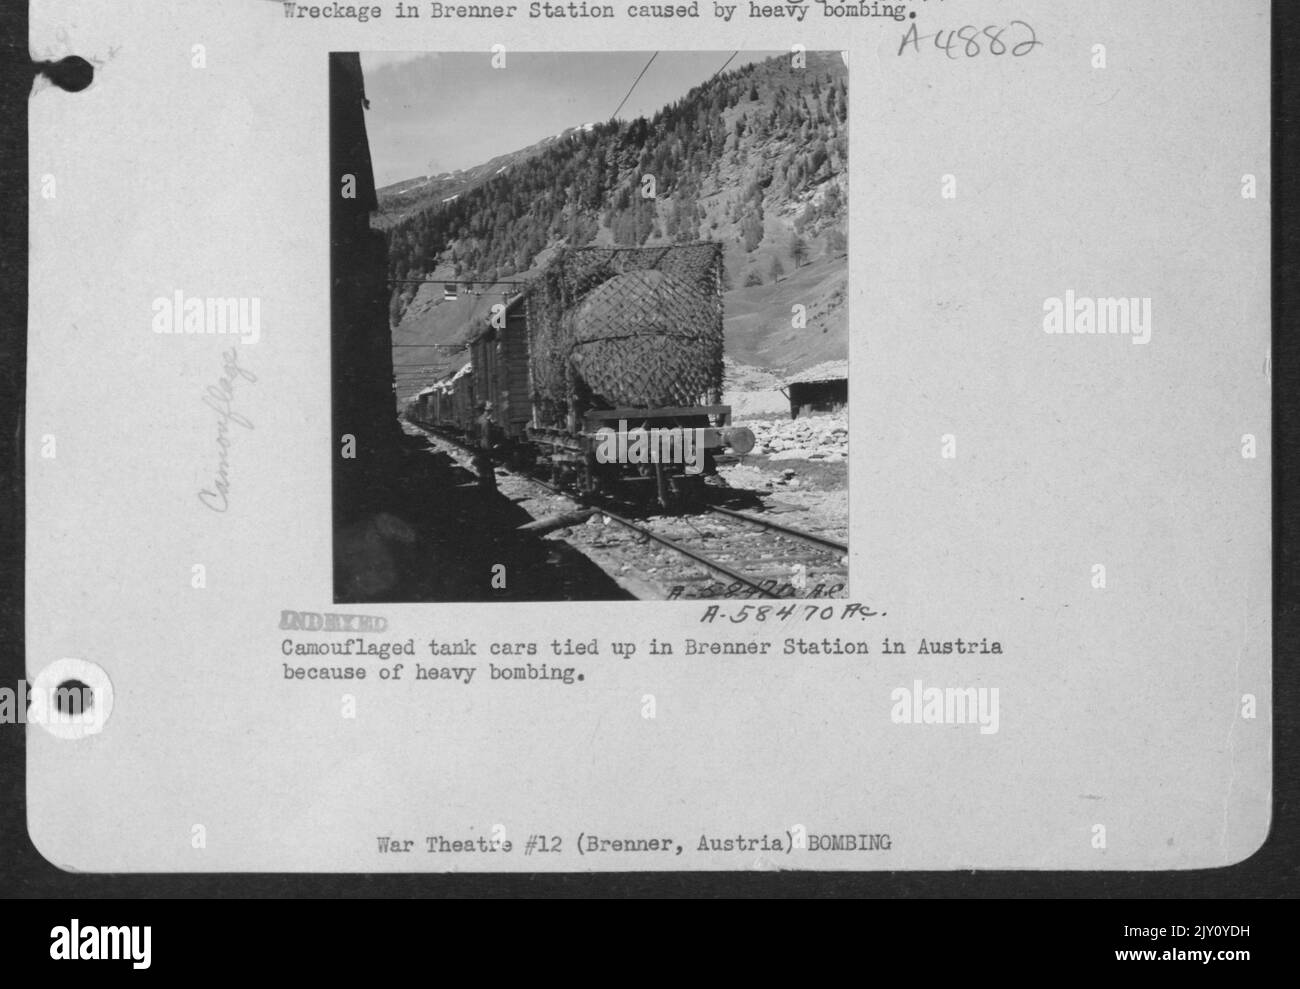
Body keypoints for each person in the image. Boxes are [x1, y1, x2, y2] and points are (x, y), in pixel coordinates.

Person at [473, 402, 498, 493]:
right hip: (486, 447)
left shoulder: (478, 420)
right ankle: (491, 490)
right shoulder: (486, 422)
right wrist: (491, 450)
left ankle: (484, 487)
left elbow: (477, 435)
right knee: (488, 470)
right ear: (484, 411)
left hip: (480, 446)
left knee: (482, 469)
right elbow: (487, 436)